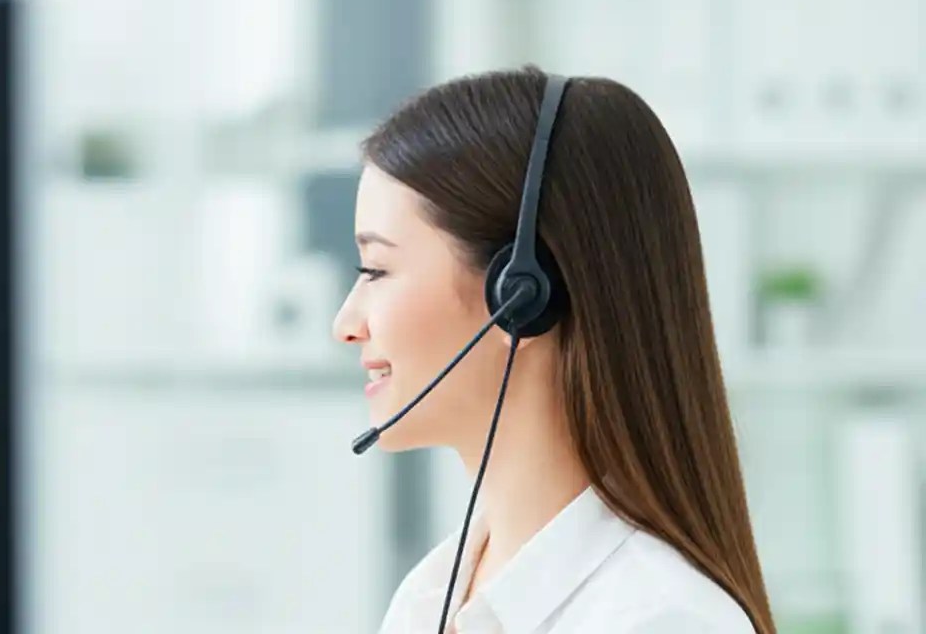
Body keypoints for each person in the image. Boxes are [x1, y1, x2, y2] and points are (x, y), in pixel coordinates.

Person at [331, 66, 774, 634]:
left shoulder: (660, 619)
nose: (345, 324)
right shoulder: (432, 598)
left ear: (521, 292)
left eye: (377, 269)